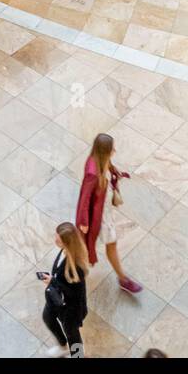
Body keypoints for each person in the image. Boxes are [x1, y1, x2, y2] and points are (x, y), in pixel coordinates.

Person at [76, 132, 142, 295]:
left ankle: (77, 267)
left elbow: (108, 166)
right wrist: (84, 221)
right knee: (107, 244)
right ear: (105, 151)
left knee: (88, 244)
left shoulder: (100, 160)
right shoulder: (92, 172)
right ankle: (123, 279)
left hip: (104, 210)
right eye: (112, 149)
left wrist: (116, 173)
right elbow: (85, 197)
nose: (115, 151)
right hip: (99, 216)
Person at [40, 222, 89, 358]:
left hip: (70, 310)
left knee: (73, 335)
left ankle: (78, 356)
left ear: (66, 243)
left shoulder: (76, 268)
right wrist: (53, 279)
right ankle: (62, 346)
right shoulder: (64, 251)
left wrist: (53, 281)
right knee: (48, 317)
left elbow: (74, 294)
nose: (55, 239)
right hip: (56, 299)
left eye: (58, 238)